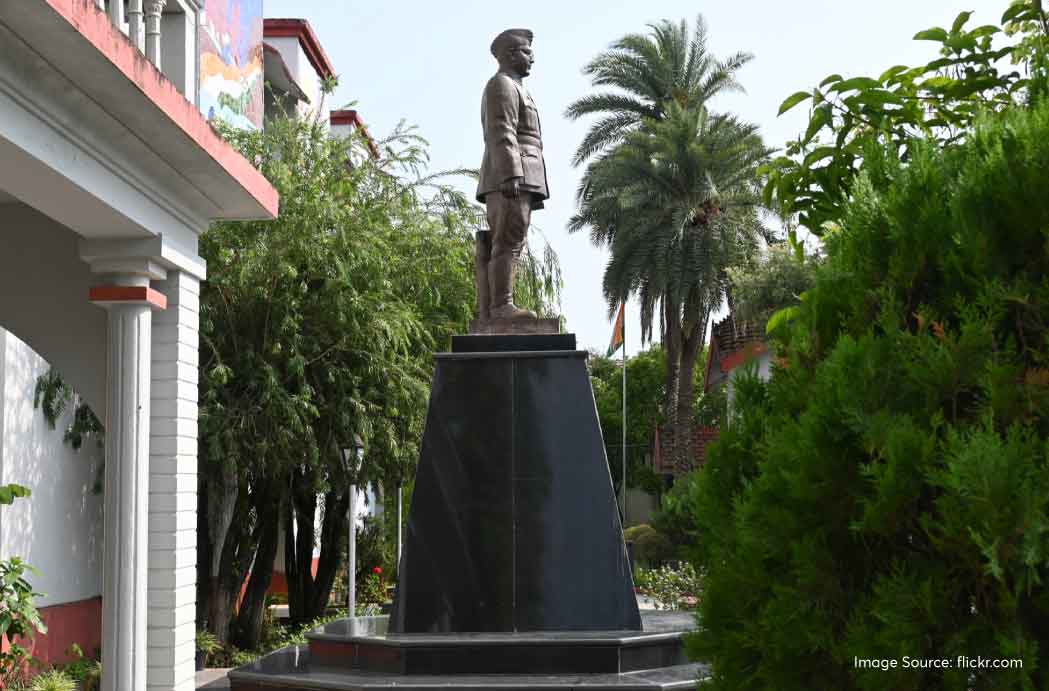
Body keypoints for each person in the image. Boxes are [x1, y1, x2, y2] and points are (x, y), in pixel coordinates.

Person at [475, 28, 549, 321]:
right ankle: (500, 306)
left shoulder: (516, 86)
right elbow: (501, 131)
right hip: (510, 177)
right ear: (509, 54)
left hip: (524, 175)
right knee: (507, 239)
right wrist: (510, 174)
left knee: (513, 240)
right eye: (526, 52)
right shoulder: (502, 85)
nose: (532, 58)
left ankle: (498, 306)